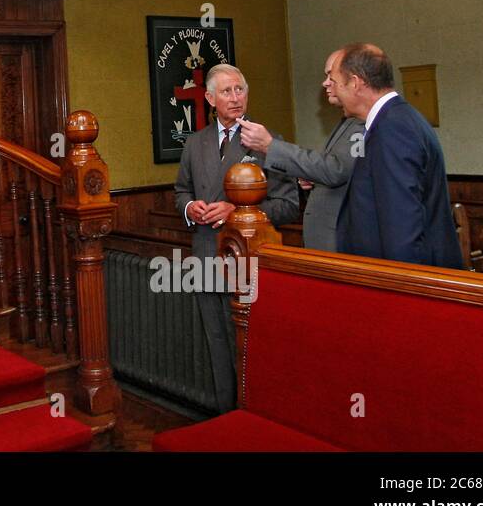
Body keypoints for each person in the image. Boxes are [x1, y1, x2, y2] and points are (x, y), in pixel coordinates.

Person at [173, 63, 299, 412]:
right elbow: (181, 190)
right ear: (210, 98)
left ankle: (254, 417)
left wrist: (238, 211)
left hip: (246, 262)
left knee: (248, 346)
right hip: (204, 254)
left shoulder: (266, 142)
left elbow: (288, 205)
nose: (235, 98)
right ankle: (225, 417)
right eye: (226, 92)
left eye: (240, 90)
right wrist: (191, 209)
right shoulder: (195, 143)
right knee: (216, 343)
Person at [332, 43, 463, 267]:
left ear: (355, 83)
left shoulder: (392, 129)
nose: (332, 91)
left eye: (334, 82)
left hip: (406, 282)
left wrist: (400, 293)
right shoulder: (398, 118)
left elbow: (402, 228)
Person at [235, 49, 363, 251]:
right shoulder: (348, 120)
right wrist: (313, 177)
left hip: (343, 243)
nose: (326, 82)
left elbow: (337, 170)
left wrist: (270, 146)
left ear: (353, 80)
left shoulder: (361, 122)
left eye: (331, 75)